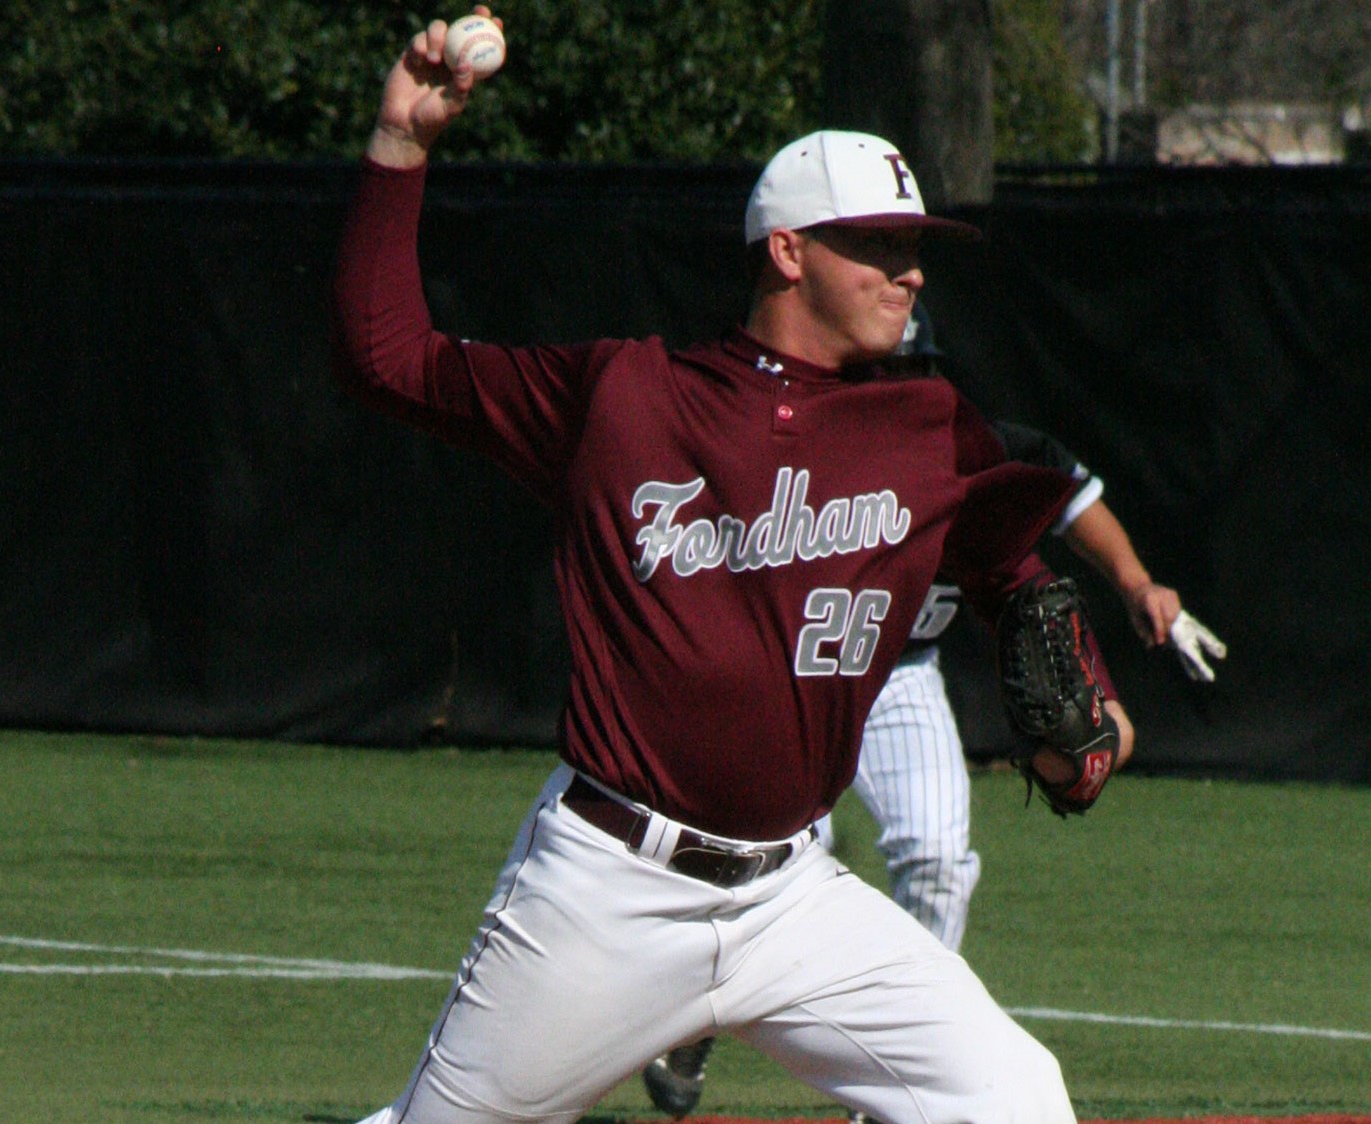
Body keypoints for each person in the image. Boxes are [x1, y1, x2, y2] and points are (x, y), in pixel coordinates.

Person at [332, 12, 1122, 1123]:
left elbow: (1010, 566)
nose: (907, 271)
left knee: (1012, 1097)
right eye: (876, 245)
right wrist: (399, 146)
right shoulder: (626, 395)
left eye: (914, 249)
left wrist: (1073, 681)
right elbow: (386, 359)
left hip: (793, 897)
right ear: (787, 250)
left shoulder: (929, 426)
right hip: (609, 888)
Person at [640, 303, 1227, 1118]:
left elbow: (1065, 496)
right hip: (783, 673)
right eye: (885, 373)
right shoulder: (794, 446)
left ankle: (892, 1093)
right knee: (763, 859)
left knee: (941, 861)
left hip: (898, 677)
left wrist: (1134, 584)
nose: (904, 387)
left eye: (916, 371)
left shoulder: (971, 450)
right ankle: (693, 1007)